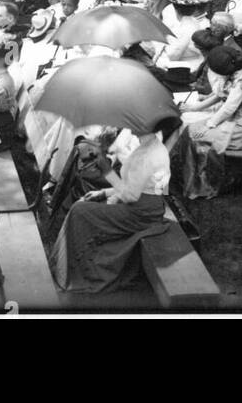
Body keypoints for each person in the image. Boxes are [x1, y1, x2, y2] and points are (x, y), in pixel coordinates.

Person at [51, 123, 176, 294]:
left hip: (140, 213)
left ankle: (78, 273)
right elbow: (137, 186)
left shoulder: (150, 155)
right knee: (83, 206)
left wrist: (106, 170)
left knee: (79, 211)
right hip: (144, 206)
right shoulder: (151, 147)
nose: (131, 127)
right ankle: (73, 267)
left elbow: (131, 195)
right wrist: (102, 192)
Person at [174, 44, 242, 199]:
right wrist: (194, 108)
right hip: (232, 119)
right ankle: (192, 179)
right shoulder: (232, 75)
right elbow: (218, 96)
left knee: (196, 135)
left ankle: (204, 184)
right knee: (191, 130)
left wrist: (209, 125)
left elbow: (229, 107)